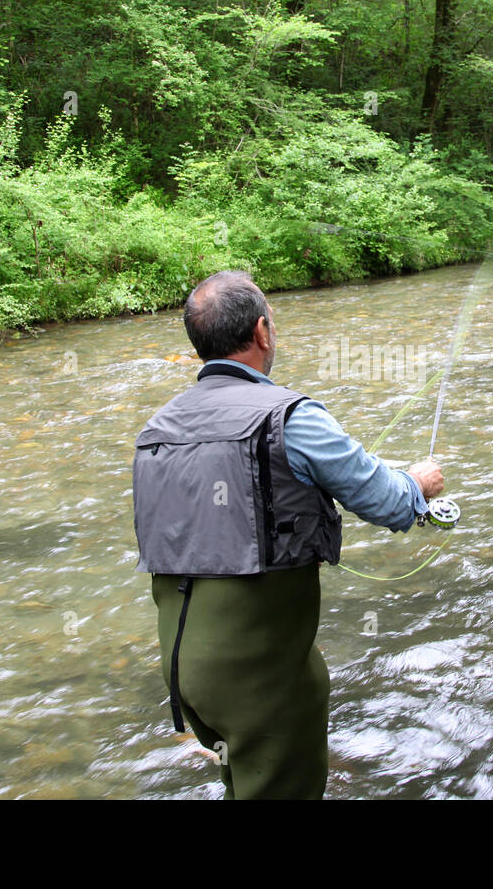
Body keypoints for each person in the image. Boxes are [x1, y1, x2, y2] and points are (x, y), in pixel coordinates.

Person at [131, 270, 445, 799]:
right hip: (260, 677)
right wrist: (417, 483)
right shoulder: (290, 418)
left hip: (183, 670)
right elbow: (388, 504)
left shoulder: (155, 431)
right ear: (262, 332)